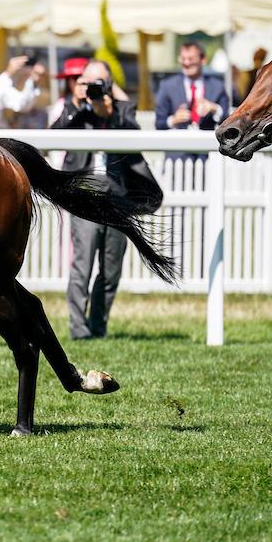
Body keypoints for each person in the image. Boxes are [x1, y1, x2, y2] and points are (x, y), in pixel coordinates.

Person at [52, 60, 161, 340]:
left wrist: (111, 112)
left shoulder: (122, 110)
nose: (93, 89)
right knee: (82, 265)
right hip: (84, 195)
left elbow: (135, 138)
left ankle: (98, 326)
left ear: (111, 85)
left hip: (118, 198)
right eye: (87, 83)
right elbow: (53, 135)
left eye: (99, 83)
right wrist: (78, 105)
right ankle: (79, 329)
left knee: (111, 270)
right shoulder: (74, 110)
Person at [154, 40, 230, 161]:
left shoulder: (217, 87)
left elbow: (228, 122)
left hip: (208, 157)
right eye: (183, 59)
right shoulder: (167, 86)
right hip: (177, 158)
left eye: (191, 58)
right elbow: (159, 123)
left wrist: (215, 109)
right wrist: (173, 120)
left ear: (203, 60)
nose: (186, 63)